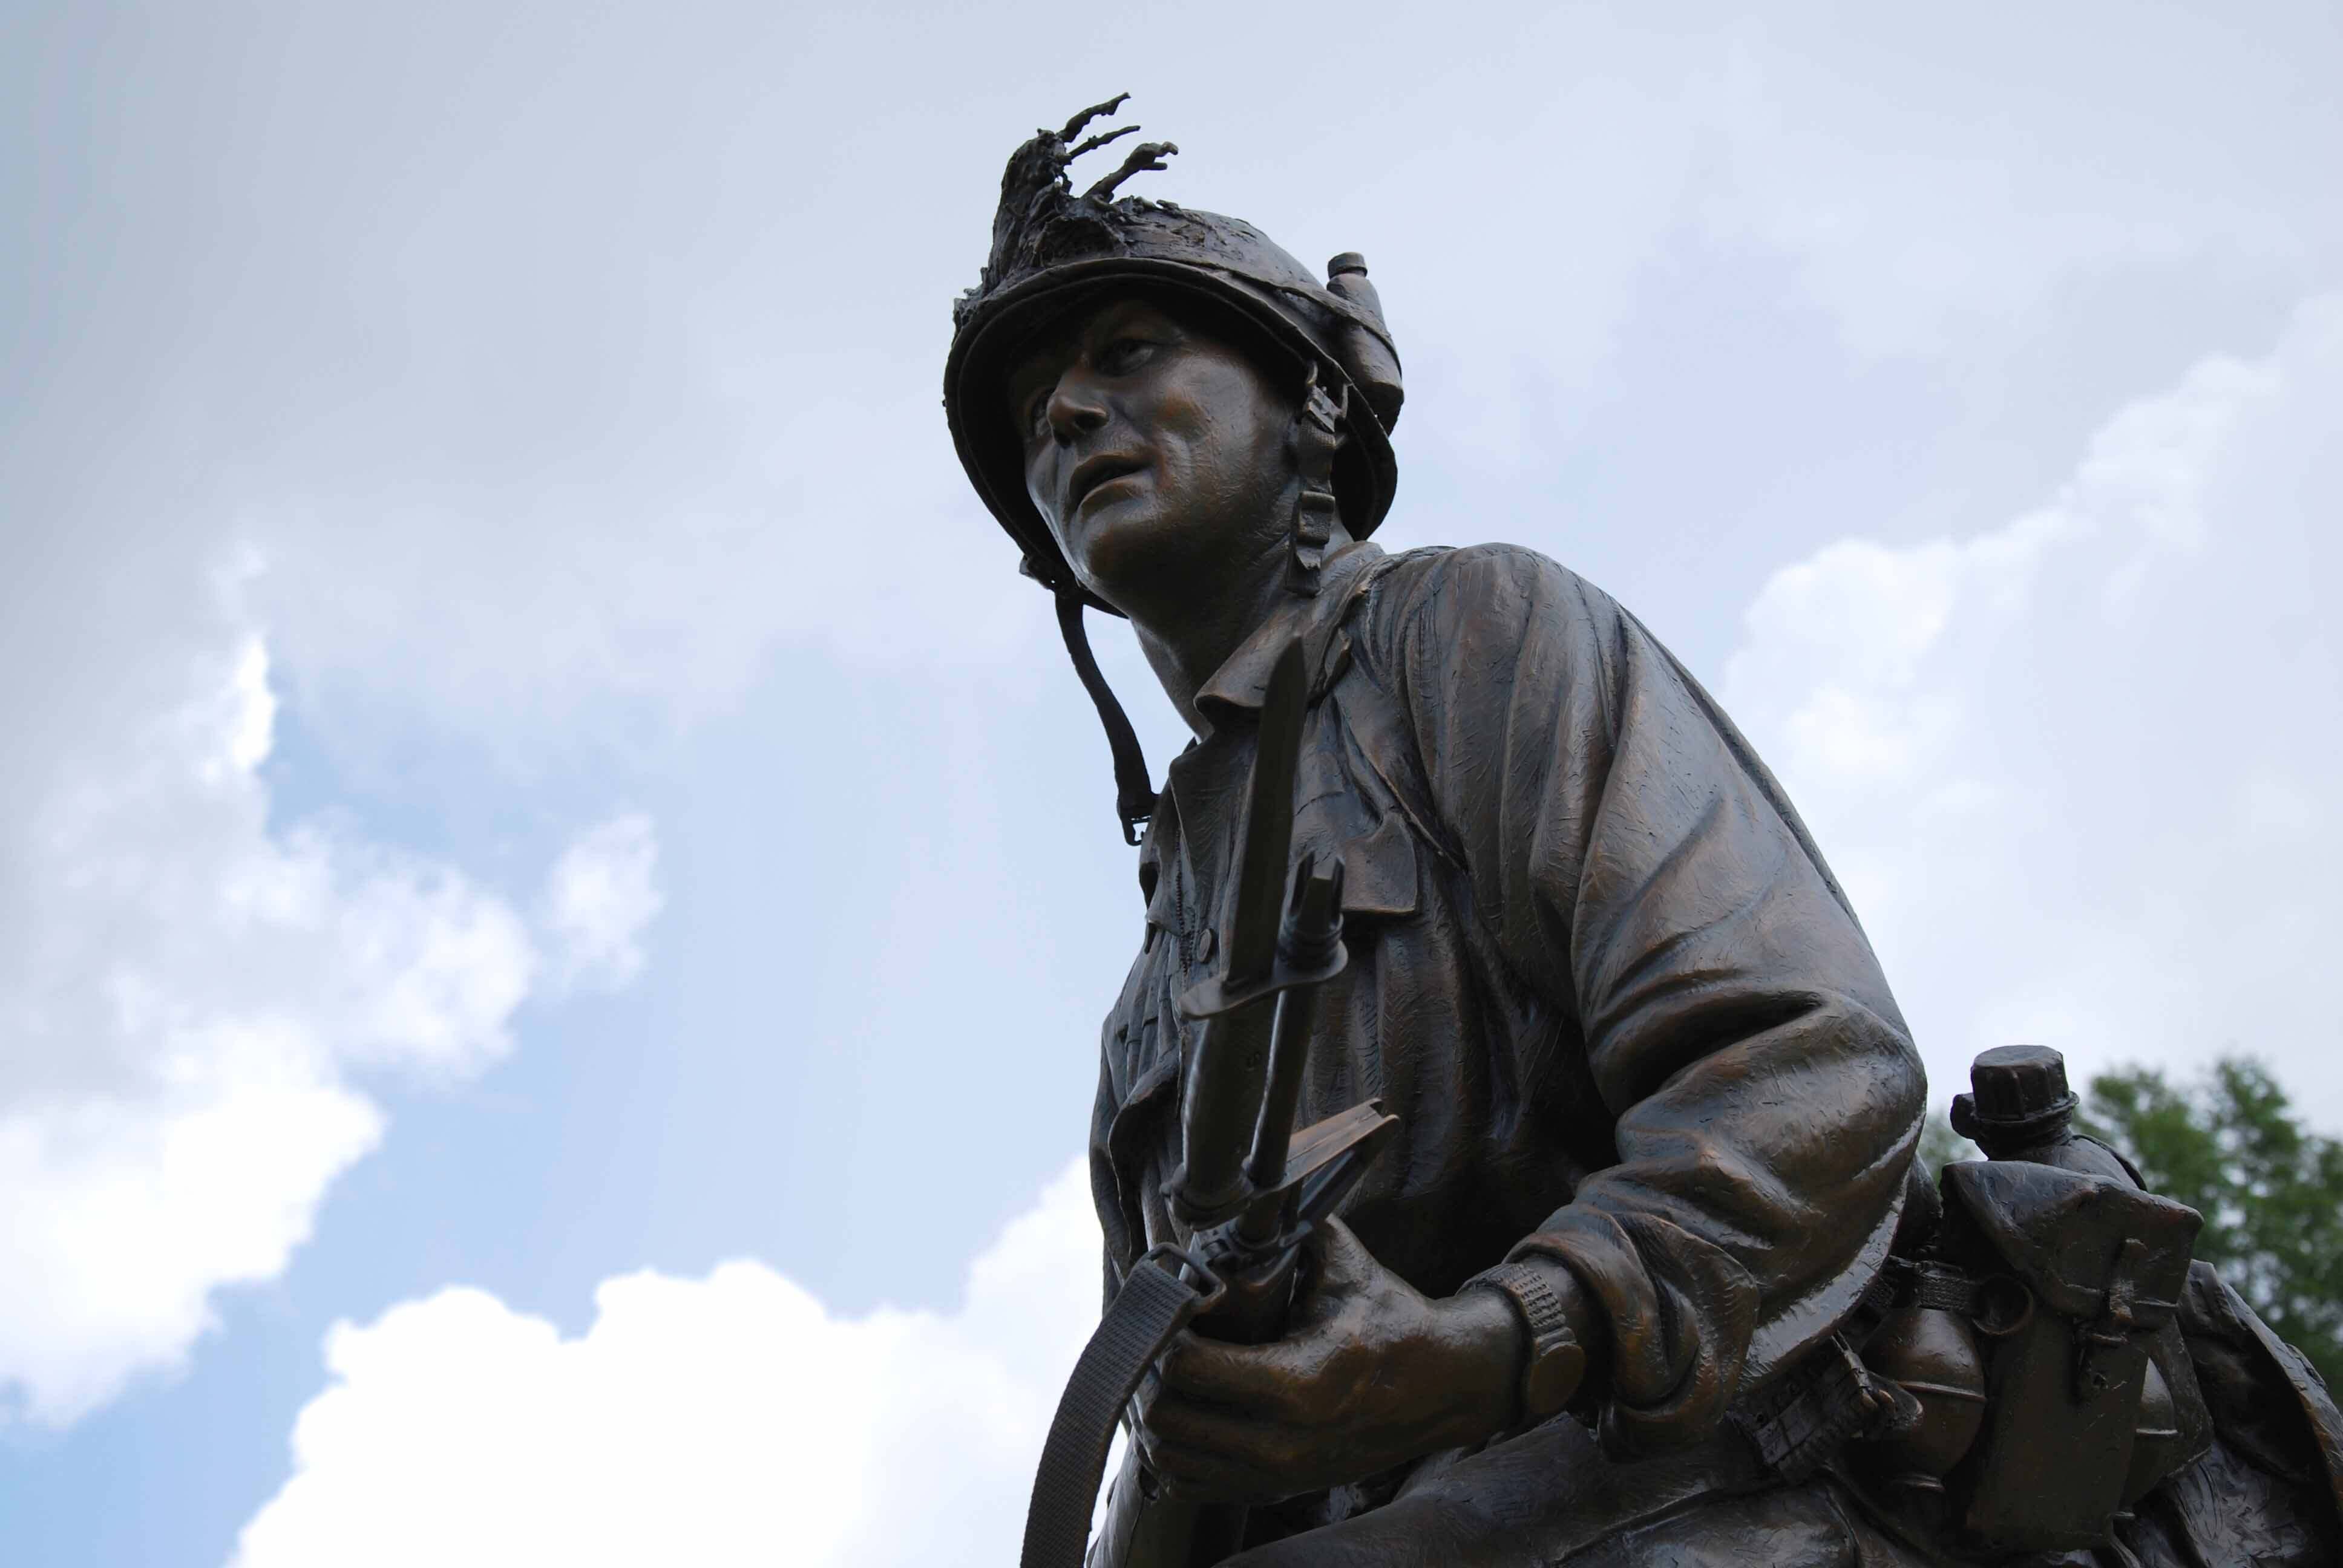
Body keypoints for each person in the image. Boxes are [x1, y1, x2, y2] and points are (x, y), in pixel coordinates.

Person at [942, 100, 2337, 1567]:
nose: (1066, 415)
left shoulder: (1467, 634)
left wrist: (1501, 1340)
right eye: (1038, 402)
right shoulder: (1147, 988)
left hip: (1711, 1464)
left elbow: (1808, 1069)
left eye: (1128, 353)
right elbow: (1171, 1419)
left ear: (1317, 406)